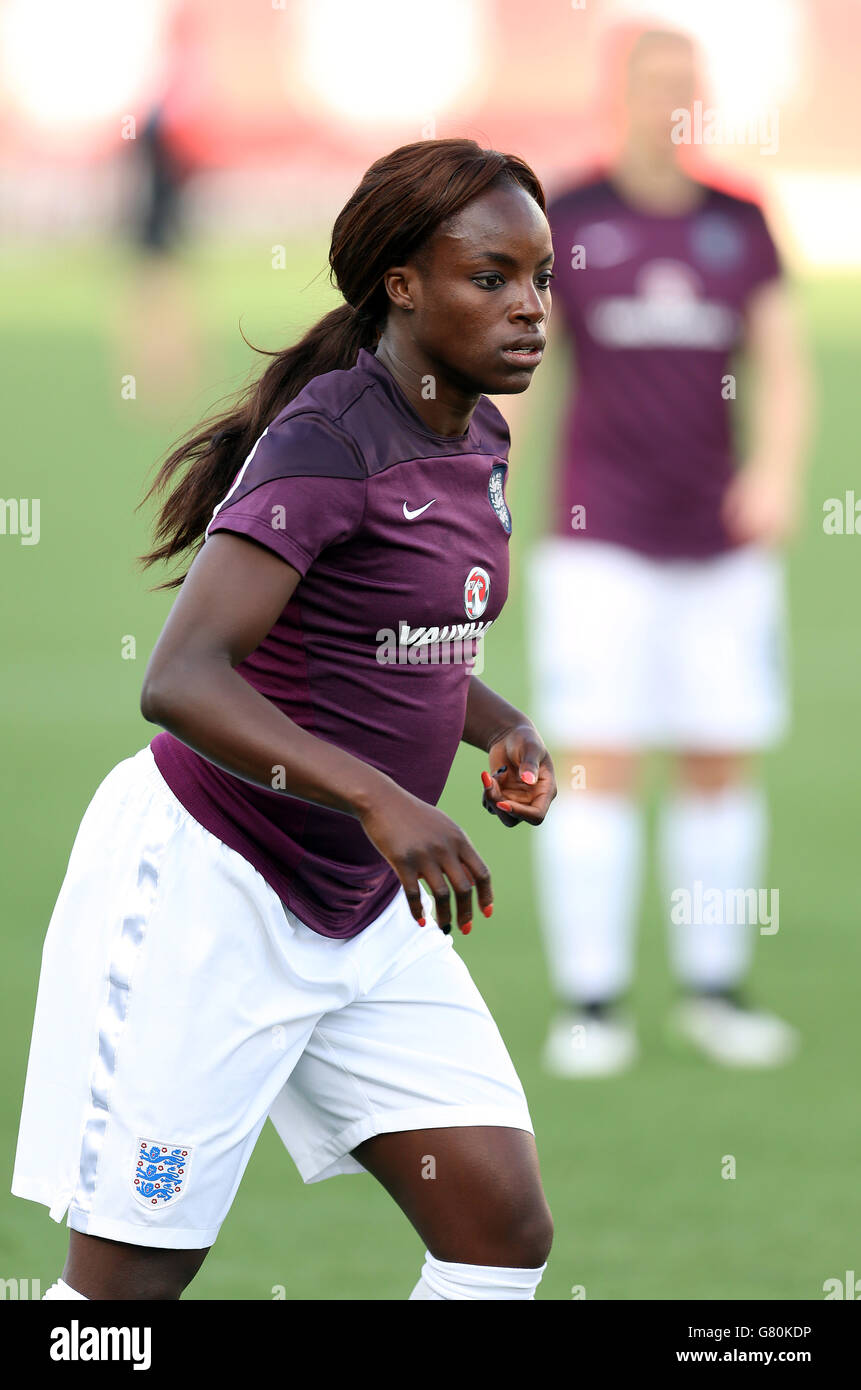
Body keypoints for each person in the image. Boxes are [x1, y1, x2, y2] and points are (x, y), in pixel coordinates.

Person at [12, 138, 558, 1300]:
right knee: (125, 1293)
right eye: (492, 277)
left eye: (541, 278)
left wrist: (502, 727)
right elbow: (182, 678)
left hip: (360, 907)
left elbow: (398, 644)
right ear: (401, 285)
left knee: (498, 1231)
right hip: (213, 888)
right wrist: (380, 798)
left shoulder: (479, 438)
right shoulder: (328, 444)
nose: (530, 307)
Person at [524, 28, 811, 1076]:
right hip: (598, 535)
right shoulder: (569, 217)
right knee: (597, 757)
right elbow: (523, 363)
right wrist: (480, 487)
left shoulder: (739, 221)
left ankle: (713, 990)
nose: (669, 103)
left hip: (719, 540)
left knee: (717, 757)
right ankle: (591, 1002)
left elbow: (782, 364)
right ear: (619, 96)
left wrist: (774, 472)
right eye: (652, 86)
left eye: (685, 87)